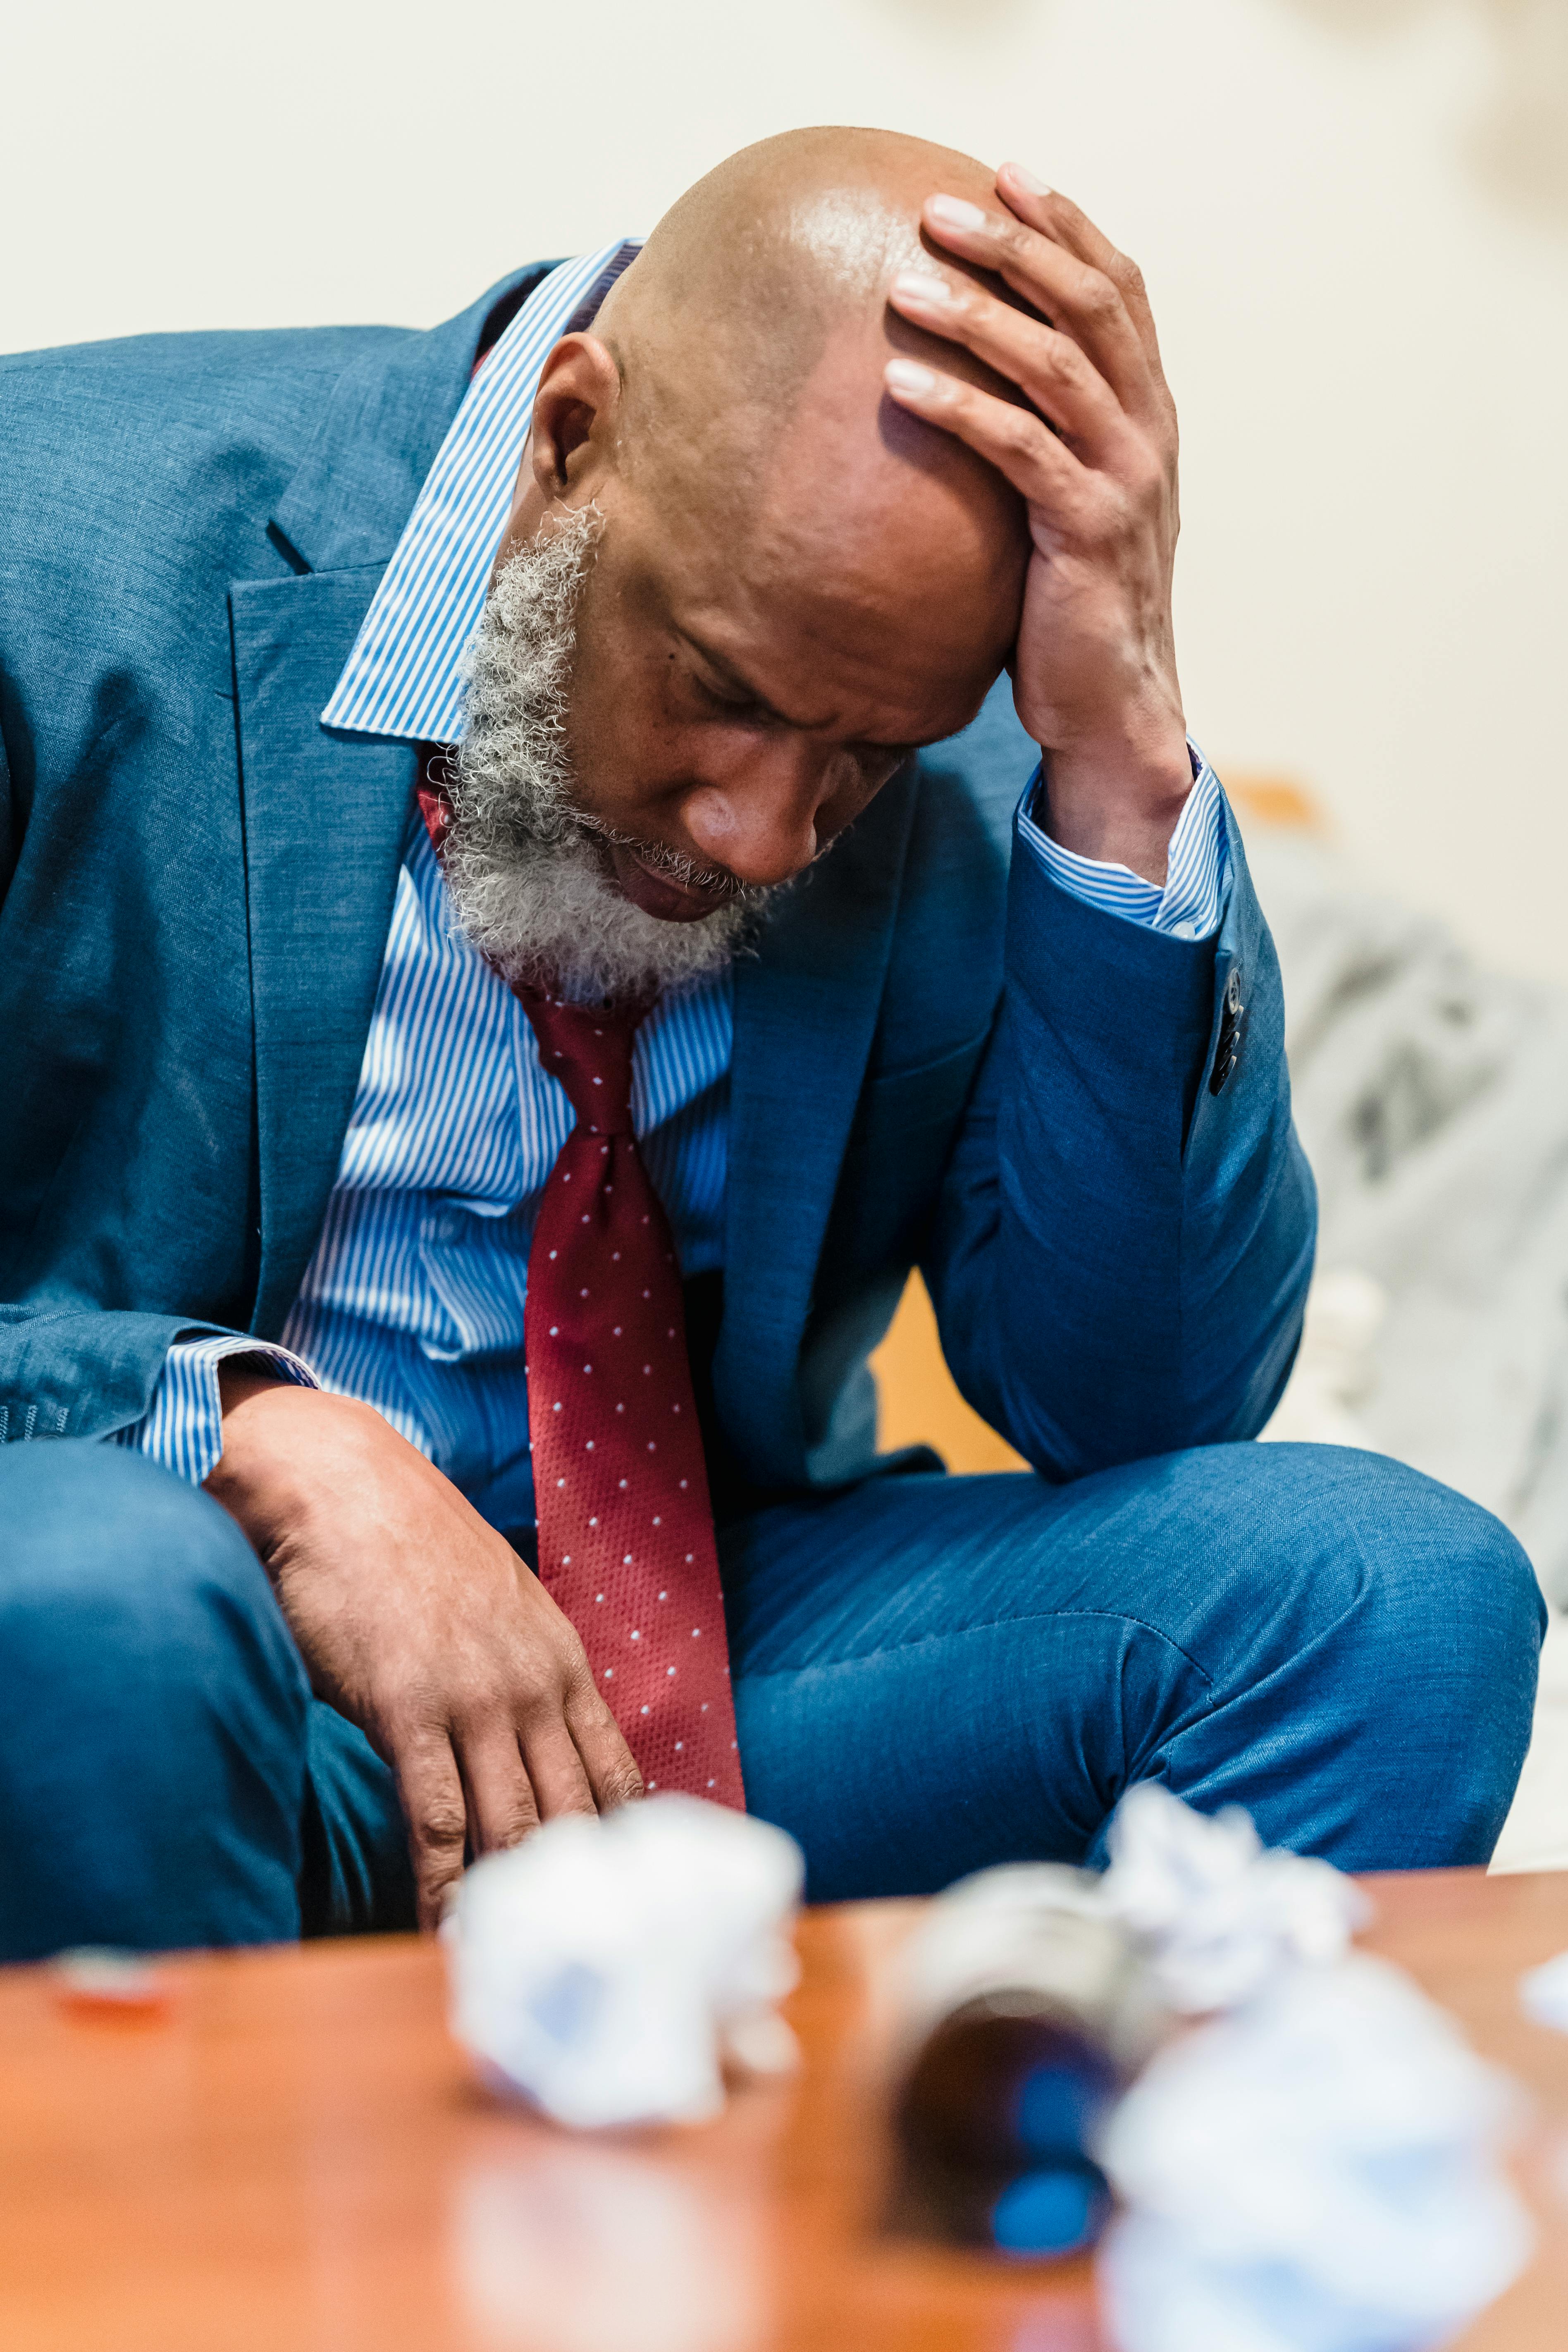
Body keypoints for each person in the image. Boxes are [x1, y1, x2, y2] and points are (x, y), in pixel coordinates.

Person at [0, 128, 1542, 1962]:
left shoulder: (977, 746)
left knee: (1393, 1598)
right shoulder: (58, 556)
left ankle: (1034, 2223)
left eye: (863, 758)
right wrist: (260, 1441)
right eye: (723, 691)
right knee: (79, 1606)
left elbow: (1140, 1401)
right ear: (566, 440)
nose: (757, 835)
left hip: (701, 1676)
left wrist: (1124, 753)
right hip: (185, 1646)